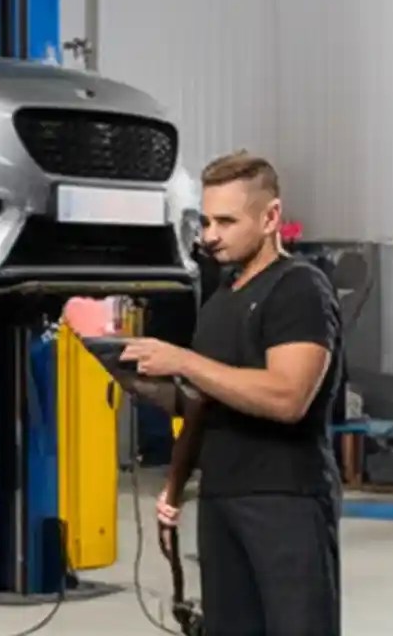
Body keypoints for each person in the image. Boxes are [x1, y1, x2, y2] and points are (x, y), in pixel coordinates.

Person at [119, 151, 345, 635]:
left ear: (270, 218)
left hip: (285, 496)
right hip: (222, 496)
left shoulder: (298, 287)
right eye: (205, 220)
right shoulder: (222, 297)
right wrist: (173, 490)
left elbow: (288, 397)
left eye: (226, 221)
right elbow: (206, 401)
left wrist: (183, 361)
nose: (210, 235)